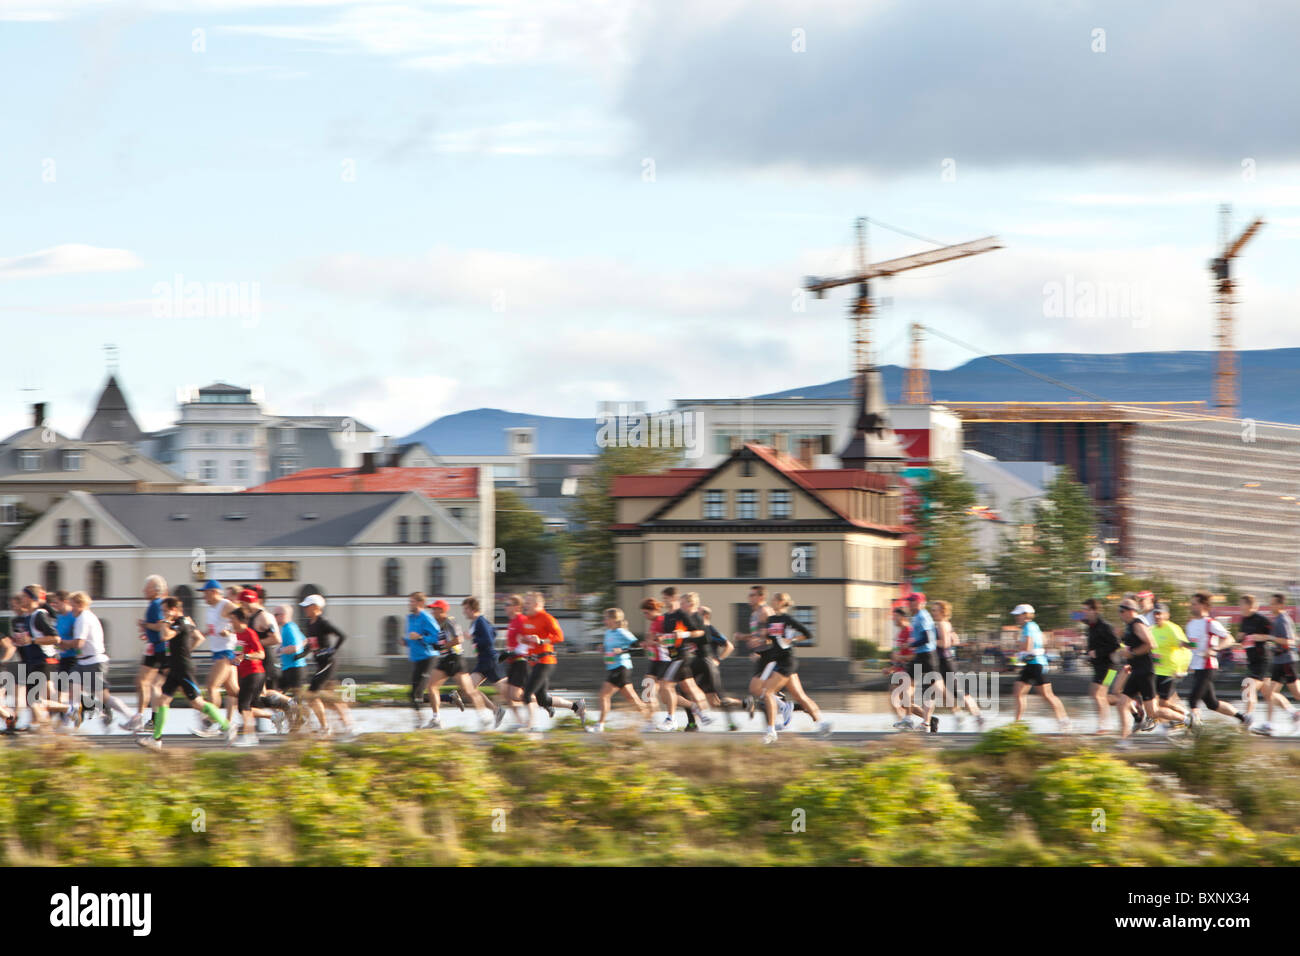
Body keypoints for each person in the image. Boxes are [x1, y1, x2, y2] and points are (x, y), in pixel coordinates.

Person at [137, 597, 235, 750]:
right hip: (175, 667)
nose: (163, 613)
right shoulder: (185, 622)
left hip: (183, 669)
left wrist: (165, 621)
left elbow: (165, 636)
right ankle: (156, 740)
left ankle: (227, 726)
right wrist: (186, 649)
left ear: (174, 610)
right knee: (163, 701)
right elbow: (198, 637)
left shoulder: (181, 622)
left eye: (165, 610)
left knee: (197, 702)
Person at [757, 592, 830, 743]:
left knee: (767, 692)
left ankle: (771, 732)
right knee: (799, 696)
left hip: (787, 661)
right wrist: (761, 641)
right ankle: (822, 723)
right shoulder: (771, 620)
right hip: (778, 661)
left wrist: (792, 639)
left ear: (781, 602)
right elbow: (772, 640)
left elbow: (808, 634)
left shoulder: (787, 619)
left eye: (773, 600)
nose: (771, 602)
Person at [1182, 593, 1253, 732]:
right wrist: (1184, 645)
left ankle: (1196, 733)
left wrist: (1215, 648)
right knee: (1212, 703)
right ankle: (1244, 718)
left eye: (1194, 603)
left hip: (1208, 666)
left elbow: (1229, 639)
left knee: (1192, 700)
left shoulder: (1210, 623)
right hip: (1196, 668)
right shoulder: (1190, 624)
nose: (1192, 606)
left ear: (1203, 605)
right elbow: (1193, 645)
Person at [424, 598, 496, 730]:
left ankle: (484, 717)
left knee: (469, 691)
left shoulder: (449, 621)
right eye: (432, 609)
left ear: (442, 610)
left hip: (455, 659)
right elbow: (438, 642)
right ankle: (436, 719)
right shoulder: (436, 624)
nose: (432, 611)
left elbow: (459, 639)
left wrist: (443, 646)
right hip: (444, 660)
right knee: (431, 687)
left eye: (435, 609)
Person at [517, 592, 585, 731]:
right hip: (534, 662)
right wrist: (524, 640)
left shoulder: (547, 618)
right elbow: (529, 639)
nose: (525, 605)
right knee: (542, 700)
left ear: (537, 604)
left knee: (526, 694)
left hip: (545, 661)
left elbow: (559, 637)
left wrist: (542, 641)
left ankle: (530, 727)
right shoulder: (527, 620)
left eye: (528, 603)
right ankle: (576, 706)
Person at [10, 585, 69, 731]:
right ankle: (41, 727)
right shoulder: (28, 617)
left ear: (31, 598)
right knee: (33, 701)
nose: (21, 599)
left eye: (23, 596)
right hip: (33, 661)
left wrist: (32, 641)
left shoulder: (39, 615)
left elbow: (55, 638)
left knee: (35, 699)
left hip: (44, 660)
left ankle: (69, 709)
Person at [299, 594, 354, 736]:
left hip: (329, 662)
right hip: (320, 664)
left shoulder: (323, 622)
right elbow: (312, 644)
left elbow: (342, 636)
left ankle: (325, 727)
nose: (305, 609)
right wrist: (300, 655)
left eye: (307, 606)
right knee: (331, 699)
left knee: (312, 693)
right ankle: (348, 726)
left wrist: (332, 651)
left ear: (316, 607)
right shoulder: (309, 624)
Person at [1009, 604, 1071, 732]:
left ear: (1025, 615)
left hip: (1036, 664)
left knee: (1047, 695)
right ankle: (1017, 723)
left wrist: (1017, 644)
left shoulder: (1028, 627)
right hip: (1032, 664)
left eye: (1018, 615)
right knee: (1019, 692)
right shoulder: (1034, 626)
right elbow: (1043, 641)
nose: (1016, 617)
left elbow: (1027, 645)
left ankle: (1064, 721)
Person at [594, 608, 651, 732]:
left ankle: (600, 725)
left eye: (607, 618)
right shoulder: (608, 632)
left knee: (603, 695)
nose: (605, 621)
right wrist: (602, 648)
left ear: (614, 620)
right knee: (632, 699)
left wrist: (622, 650)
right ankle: (650, 721)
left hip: (621, 667)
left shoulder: (622, 632)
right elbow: (610, 649)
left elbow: (638, 646)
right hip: (612, 667)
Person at [125, 575, 169, 732]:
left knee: (147, 683)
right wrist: (146, 632)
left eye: (146, 587)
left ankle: (144, 717)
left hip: (160, 649)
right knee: (144, 682)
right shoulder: (155, 604)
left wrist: (145, 625)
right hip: (155, 647)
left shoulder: (156, 604)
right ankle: (147, 718)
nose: (143, 590)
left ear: (155, 590)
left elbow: (160, 626)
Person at [933, 599, 983, 728]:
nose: (932, 612)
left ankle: (977, 716)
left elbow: (945, 644)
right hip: (943, 661)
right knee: (941, 690)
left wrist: (930, 641)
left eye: (935, 610)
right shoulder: (946, 624)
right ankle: (958, 715)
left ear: (942, 611)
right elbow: (956, 640)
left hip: (945, 662)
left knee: (958, 692)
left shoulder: (942, 624)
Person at [463, 597, 507, 728]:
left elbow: (489, 640)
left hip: (490, 661)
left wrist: (473, 638)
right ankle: (496, 710)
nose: (464, 612)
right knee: (468, 688)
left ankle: (540, 700)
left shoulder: (479, 621)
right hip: (483, 661)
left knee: (512, 694)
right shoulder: (478, 622)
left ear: (472, 609)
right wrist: (476, 642)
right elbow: (494, 632)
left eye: (465, 609)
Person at [1261, 593, 1300, 735]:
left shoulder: (1283, 619)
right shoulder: (1277, 619)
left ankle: (1292, 715)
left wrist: (1270, 637)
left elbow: (1289, 641)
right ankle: (1269, 725)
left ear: (1281, 605)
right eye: (1270, 603)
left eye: (1273, 604)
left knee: (1297, 694)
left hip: (1287, 661)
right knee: (1269, 693)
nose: (1270, 606)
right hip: (1279, 661)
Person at [1149, 601, 1190, 733]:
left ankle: (1185, 716)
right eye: (1155, 613)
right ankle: (1166, 723)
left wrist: (1182, 668)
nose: (1157, 616)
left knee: (1163, 703)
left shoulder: (1172, 628)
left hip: (1169, 672)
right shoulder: (1152, 630)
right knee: (1153, 701)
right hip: (1155, 671)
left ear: (1167, 615)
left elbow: (1187, 648)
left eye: (1160, 614)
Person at [1082, 598, 1120, 734]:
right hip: (1099, 667)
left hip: (1110, 668)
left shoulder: (1105, 626)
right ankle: (1127, 703)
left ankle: (1105, 726)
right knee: (1096, 694)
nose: (1084, 613)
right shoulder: (1091, 627)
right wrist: (1089, 655)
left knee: (1098, 695)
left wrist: (1097, 652)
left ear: (1094, 610)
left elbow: (1116, 645)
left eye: (1086, 610)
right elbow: (1093, 647)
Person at [405, 592, 441, 727]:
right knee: (413, 693)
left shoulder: (426, 617)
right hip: (417, 658)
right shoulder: (409, 618)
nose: (410, 604)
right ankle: (449, 698)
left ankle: (422, 723)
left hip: (429, 657)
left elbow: (437, 637)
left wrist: (420, 637)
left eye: (412, 601)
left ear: (420, 603)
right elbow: (412, 637)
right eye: (409, 601)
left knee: (416, 692)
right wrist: (406, 641)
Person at [500, 594, 533, 728]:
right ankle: (519, 722)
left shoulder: (522, 620)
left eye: (508, 605)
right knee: (507, 693)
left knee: (515, 695)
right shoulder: (512, 622)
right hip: (513, 662)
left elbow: (529, 640)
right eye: (505, 605)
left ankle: (542, 701)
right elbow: (514, 642)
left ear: (517, 607)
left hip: (521, 661)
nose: (505, 608)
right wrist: (508, 652)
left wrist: (515, 651)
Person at [1238, 594, 1273, 720]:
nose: (1240, 606)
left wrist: (1262, 637)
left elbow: (1273, 635)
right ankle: (1292, 712)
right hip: (1251, 660)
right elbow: (1241, 638)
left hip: (1262, 659)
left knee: (1248, 686)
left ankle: (1248, 717)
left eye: (1242, 604)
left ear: (1249, 605)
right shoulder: (1244, 620)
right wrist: (1240, 638)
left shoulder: (1261, 619)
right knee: (1268, 694)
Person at [274, 604, 309, 729]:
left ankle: (297, 724)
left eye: (276, 615)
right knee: (277, 694)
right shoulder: (289, 627)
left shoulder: (289, 628)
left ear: (283, 615)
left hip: (295, 668)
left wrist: (280, 650)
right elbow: (304, 641)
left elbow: (295, 647)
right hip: (289, 667)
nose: (274, 617)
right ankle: (295, 722)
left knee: (294, 697)